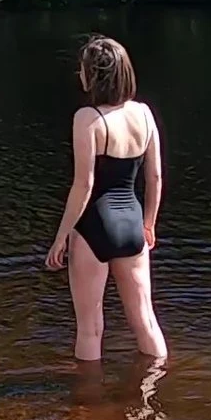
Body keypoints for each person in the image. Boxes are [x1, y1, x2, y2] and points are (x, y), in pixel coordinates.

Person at [44, 34, 169, 364]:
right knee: (145, 320)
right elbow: (154, 177)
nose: (79, 75)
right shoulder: (144, 114)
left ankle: (88, 405)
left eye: (83, 68)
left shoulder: (88, 119)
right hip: (132, 223)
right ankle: (156, 391)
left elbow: (83, 185)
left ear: (94, 75)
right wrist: (149, 224)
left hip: (94, 226)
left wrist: (61, 237)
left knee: (90, 329)